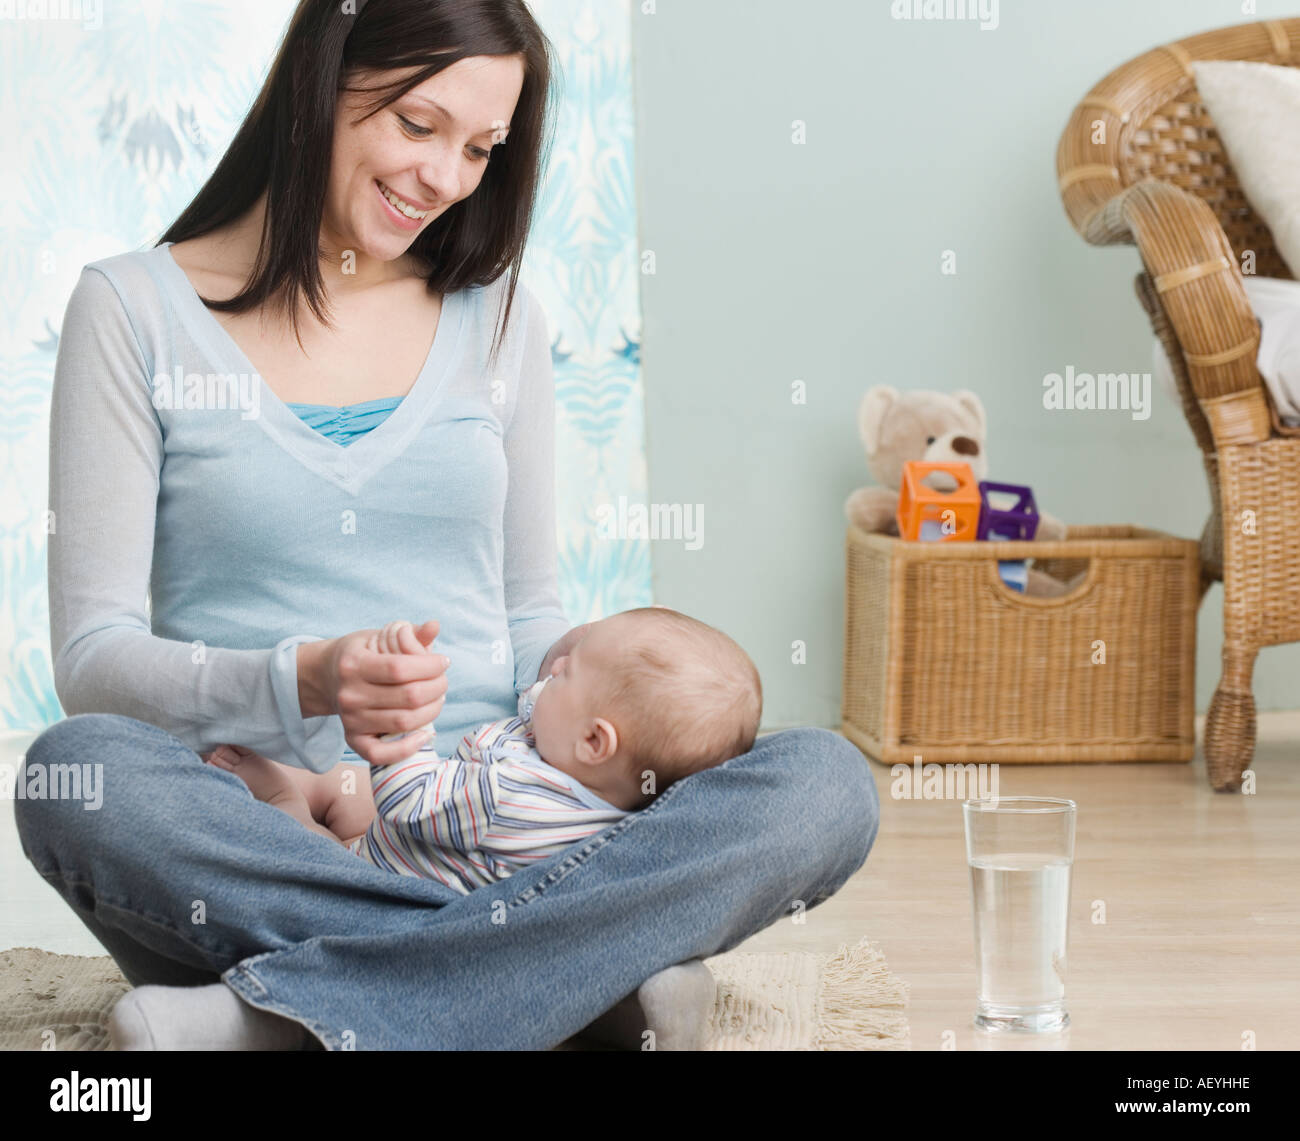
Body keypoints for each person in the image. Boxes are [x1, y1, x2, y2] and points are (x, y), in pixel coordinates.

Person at [15, 0, 879, 1051]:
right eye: (418, 126)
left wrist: (549, 763)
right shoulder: (135, 310)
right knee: (82, 774)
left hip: (512, 825)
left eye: (480, 148)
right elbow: (96, 658)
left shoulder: (497, 312)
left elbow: (528, 613)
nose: (446, 178)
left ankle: (286, 1020)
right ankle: (573, 991)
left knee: (822, 784)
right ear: (320, 84)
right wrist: (306, 678)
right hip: (274, 836)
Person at [208, 607, 763, 893]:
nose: (557, 667)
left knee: (305, 842)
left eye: (568, 674)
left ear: (594, 741)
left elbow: (411, 800)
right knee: (340, 787)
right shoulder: (604, 791)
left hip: (380, 878)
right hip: (435, 842)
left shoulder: (507, 798)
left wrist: (396, 732)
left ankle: (283, 797)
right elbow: (533, 719)